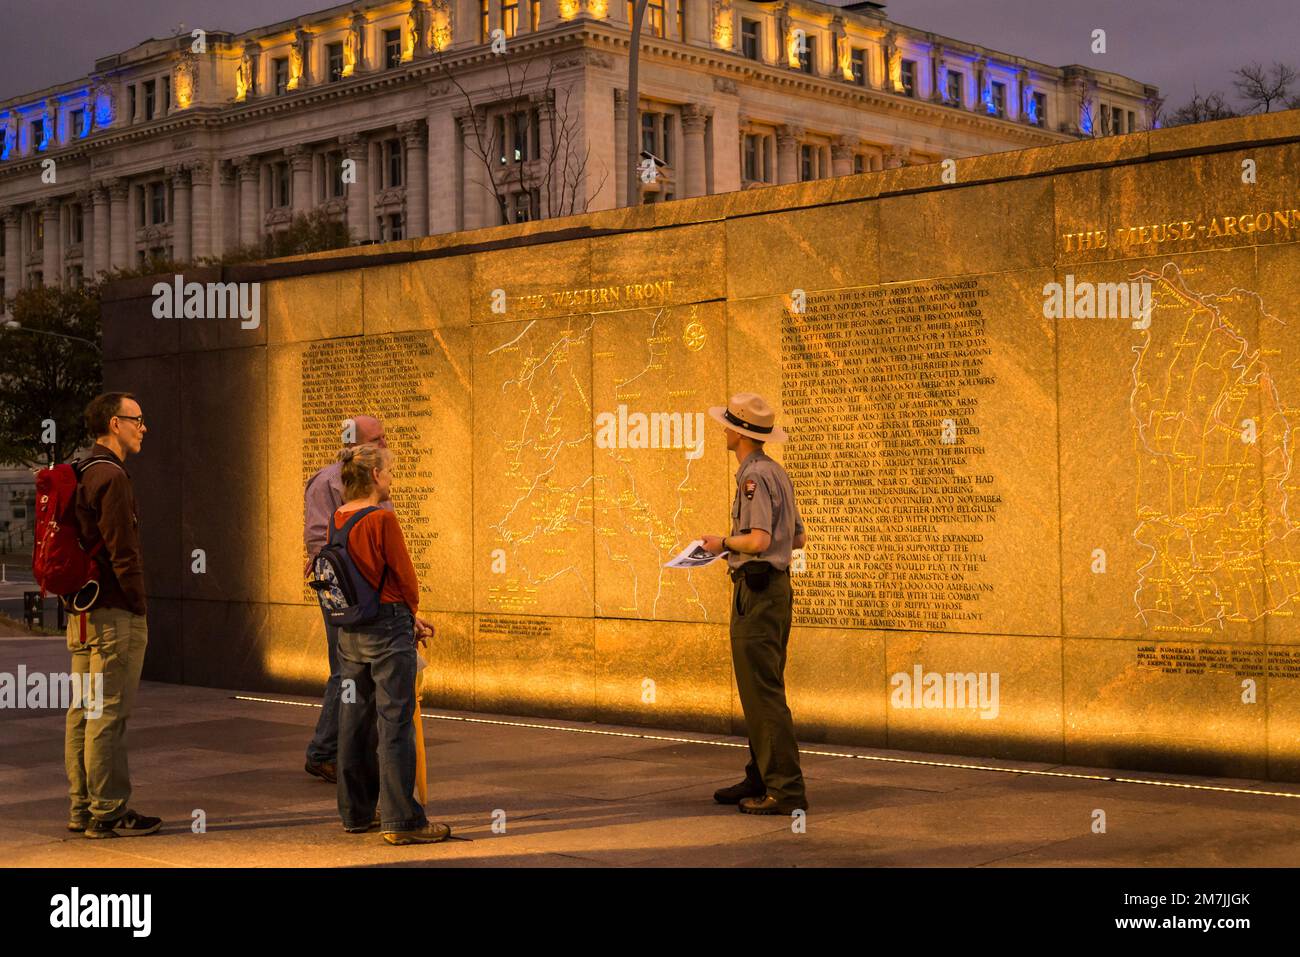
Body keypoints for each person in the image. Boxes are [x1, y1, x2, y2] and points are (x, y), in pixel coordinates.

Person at [331, 443, 450, 845]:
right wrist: (411, 615)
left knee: (354, 722)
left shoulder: (339, 517)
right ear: (377, 476)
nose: (392, 478)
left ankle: (355, 812)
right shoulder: (381, 520)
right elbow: (404, 575)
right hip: (387, 627)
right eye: (390, 472)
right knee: (395, 722)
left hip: (351, 631)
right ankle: (402, 821)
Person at [699, 393, 809, 815]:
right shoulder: (775, 473)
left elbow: (760, 540)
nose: (724, 430)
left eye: (728, 425)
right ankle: (760, 775)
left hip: (758, 594)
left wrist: (721, 544)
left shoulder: (753, 478)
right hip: (774, 590)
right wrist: (738, 550)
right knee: (761, 687)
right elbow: (796, 538)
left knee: (762, 693)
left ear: (740, 433)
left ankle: (784, 790)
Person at [65, 392, 163, 838]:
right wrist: (138, 603)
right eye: (136, 420)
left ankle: (81, 808)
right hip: (113, 613)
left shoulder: (81, 471)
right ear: (114, 423)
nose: (143, 427)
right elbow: (125, 552)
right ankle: (108, 810)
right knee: (108, 712)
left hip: (81, 613)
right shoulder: (113, 477)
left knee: (83, 711)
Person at [302, 415, 392, 783]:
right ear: (354, 446)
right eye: (378, 439)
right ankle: (324, 751)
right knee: (345, 671)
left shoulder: (375, 480)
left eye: (385, 437)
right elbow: (320, 542)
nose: (385, 444)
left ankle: (346, 751)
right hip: (347, 591)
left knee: (358, 671)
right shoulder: (326, 482)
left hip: (373, 589)